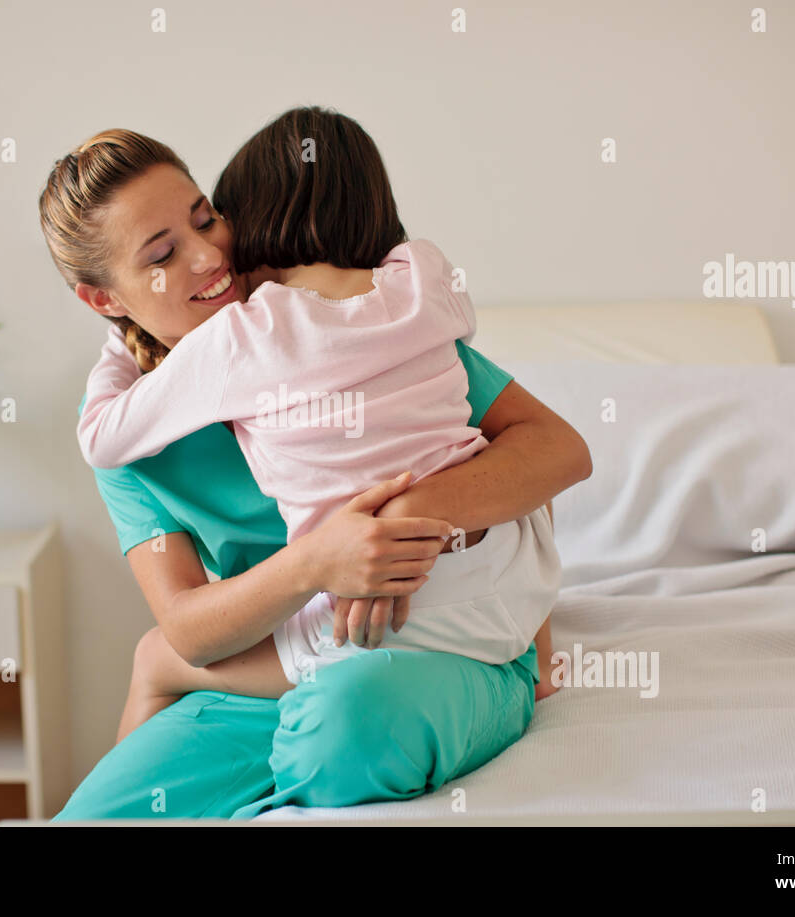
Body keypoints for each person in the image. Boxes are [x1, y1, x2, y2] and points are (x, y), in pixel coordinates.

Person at [38, 114, 592, 820]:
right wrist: (318, 563)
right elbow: (187, 626)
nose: (209, 255)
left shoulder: (352, 330)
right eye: (164, 254)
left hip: (442, 655)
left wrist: (406, 513)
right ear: (104, 299)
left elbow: (550, 451)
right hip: (270, 669)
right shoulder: (141, 425)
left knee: (339, 730)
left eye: (207, 219)